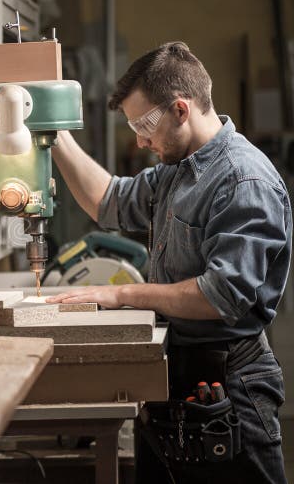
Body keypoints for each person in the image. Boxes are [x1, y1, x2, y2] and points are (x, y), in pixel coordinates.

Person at [47, 41, 290, 483]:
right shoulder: (178, 169)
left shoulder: (242, 180)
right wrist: (53, 133)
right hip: (175, 376)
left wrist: (122, 293)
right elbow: (109, 201)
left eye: (145, 125)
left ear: (181, 109)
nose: (139, 140)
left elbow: (221, 296)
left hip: (229, 385)